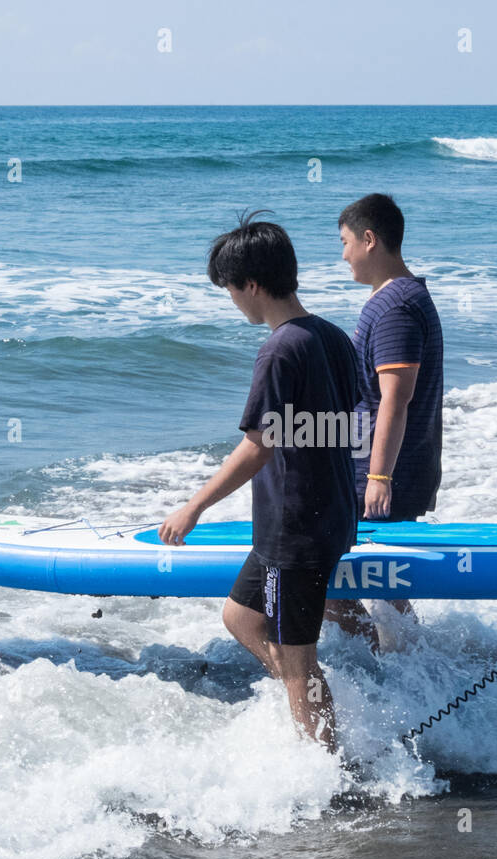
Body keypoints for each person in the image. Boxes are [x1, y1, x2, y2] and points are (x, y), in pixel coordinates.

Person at [159, 211, 358, 753]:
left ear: (250, 284)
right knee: (240, 617)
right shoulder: (333, 336)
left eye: (229, 290)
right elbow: (342, 419)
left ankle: (328, 768)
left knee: (297, 658)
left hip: (294, 529)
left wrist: (192, 507)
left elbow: (258, 446)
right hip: (332, 513)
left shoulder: (278, 350)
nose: (232, 301)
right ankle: (314, 706)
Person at [324, 194, 444, 651]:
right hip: (391, 467)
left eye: (345, 242)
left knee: (335, 583)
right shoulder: (400, 297)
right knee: (384, 586)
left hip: (382, 473)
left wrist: (378, 476)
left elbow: (396, 399)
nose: (343, 255)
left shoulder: (395, 305)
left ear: (369, 240)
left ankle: (383, 668)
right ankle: (415, 666)